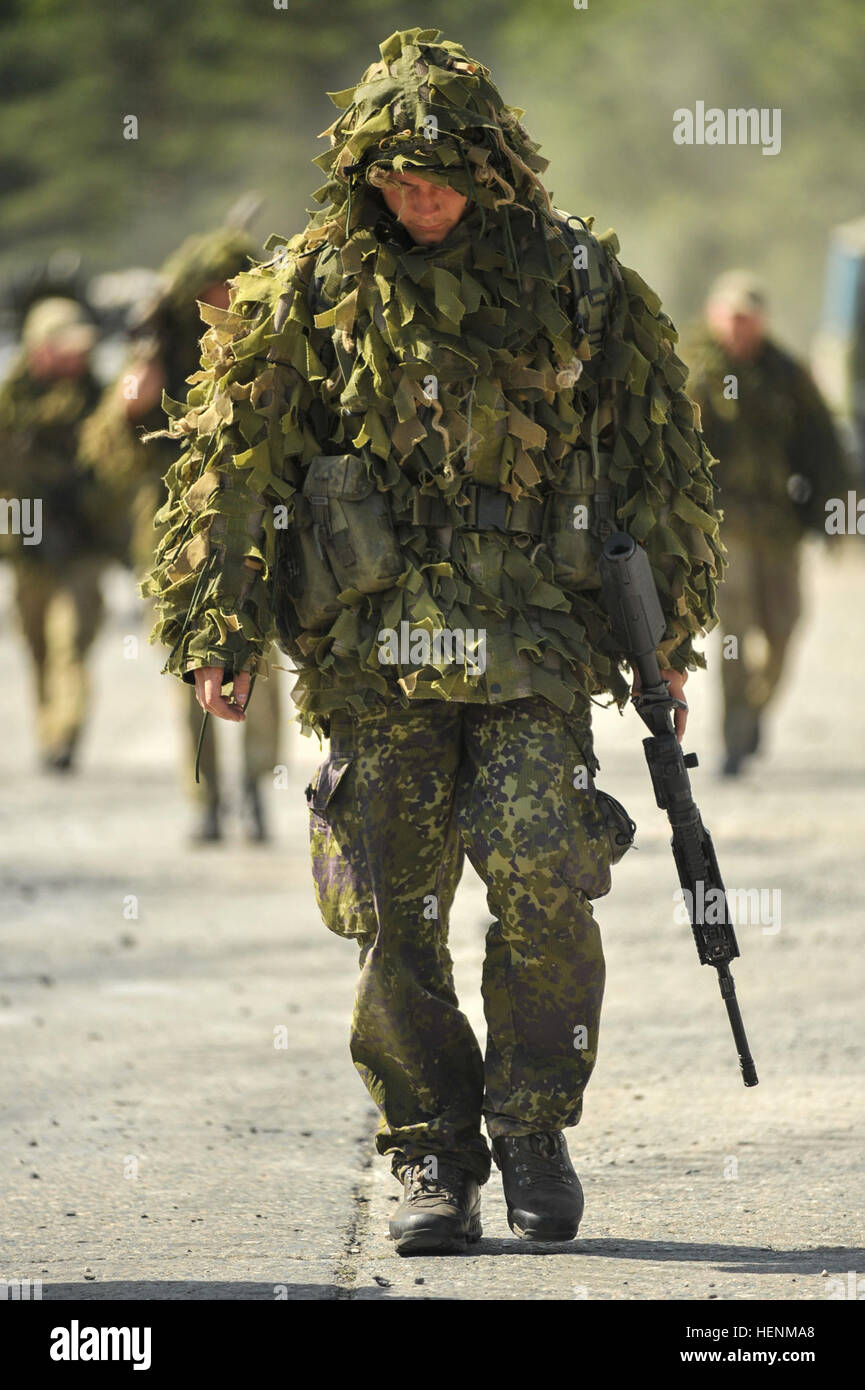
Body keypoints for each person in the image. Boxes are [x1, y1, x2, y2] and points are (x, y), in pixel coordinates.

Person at [144, 28, 724, 1254]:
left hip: (533, 646)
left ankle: (528, 1128)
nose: (416, 199)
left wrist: (662, 631)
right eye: (395, 180)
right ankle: (427, 1151)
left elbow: (656, 461)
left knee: (543, 882)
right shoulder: (307, 286)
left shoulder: (575, 278)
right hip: (375, 652)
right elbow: (236, 463)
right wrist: (219, 623)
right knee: (394, 918)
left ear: (493, 170)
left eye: (439, 178)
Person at [81, 230, 284, 840]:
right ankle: (205, 802)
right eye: (210, 290)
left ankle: (254, 791)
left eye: (233, 287)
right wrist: (129, 403)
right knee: (187, 673)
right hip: (173, 547)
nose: (222, 299)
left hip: (253, 537)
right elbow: (105, 454)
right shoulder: (157, 354)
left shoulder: (266, 351)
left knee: (259, 668)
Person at [685, 271, 848, 775]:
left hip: (778, 525)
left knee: (785, 628)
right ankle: (735, 737)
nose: (740, 329)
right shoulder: (695, 370)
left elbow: (823, 446)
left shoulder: (786, 373)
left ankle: (754, 712)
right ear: (716, 317)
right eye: (732, 318)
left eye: (749, 319)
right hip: (722, 527)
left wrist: (835, 514)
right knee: (733, 632)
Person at [0, 296, 106, 771]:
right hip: (28, 545)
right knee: (38, 646)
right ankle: (49, 732)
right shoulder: (12, 400)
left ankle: (65, 733)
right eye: (64, 348)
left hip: (81, 545)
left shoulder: (98, 397)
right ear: (39, 348)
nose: (75, 357)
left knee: (71, 645)